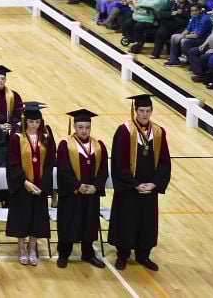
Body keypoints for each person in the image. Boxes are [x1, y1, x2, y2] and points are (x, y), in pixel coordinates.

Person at [109, 94, 172, 271]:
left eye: (148, 111)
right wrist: (134, 183)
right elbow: (118, 161)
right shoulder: (125, 131)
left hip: (149, 188)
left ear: (152, 111)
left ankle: (143, 255)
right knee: (127, 220)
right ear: (134, 111)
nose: (145, 114)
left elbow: (164, 161)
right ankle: (123, 255)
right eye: (141, 111)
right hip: (130, 188)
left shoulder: (158, 132)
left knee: (147, 222)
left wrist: (154, 184)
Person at [56, 108, 108, 268]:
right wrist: (77, 186)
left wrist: (96, 186)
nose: (84, 131)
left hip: (91, 194)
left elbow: (103, 170)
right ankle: (64, 255)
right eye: (80, 127)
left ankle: (88, 254)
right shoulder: (66, 145)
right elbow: (63, 171)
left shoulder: (99, 146)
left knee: (89, 223)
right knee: (68, 223)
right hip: (72, 194)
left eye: (87, 127)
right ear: (74, 127)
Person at [6, 102, 54, 266]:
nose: (34, 125)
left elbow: (49, 162)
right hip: (22, 186)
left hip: (40, 186)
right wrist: (24, 182)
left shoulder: (46, 137)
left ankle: (32, 247)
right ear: (25, 121)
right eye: (31, 122)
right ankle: (21, 248)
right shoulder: (17, 138)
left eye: (37, 122)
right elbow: (13, 162)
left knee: (37, 217)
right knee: (22, 217)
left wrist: (43, 184)